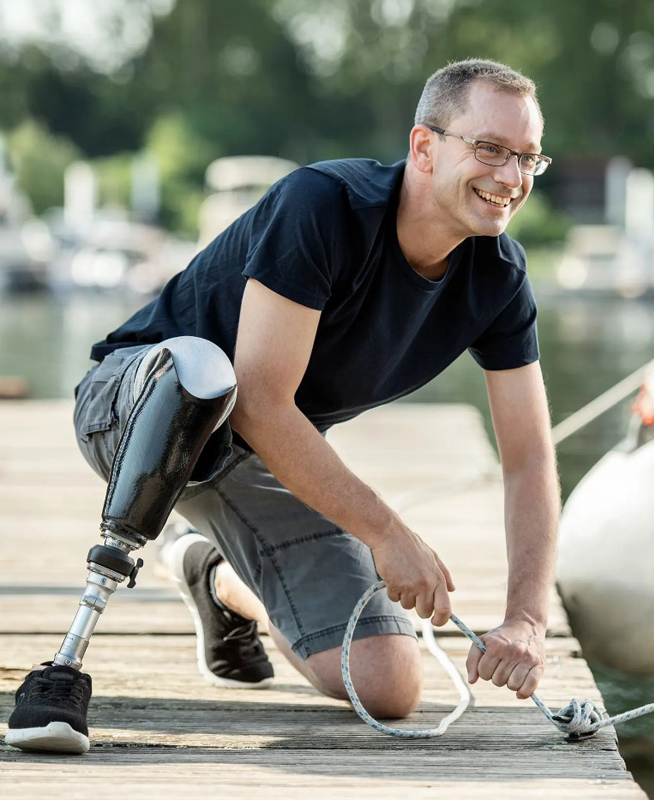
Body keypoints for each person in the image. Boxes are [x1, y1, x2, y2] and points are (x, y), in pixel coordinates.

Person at [5, 58, 560, 755]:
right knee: (207, 376)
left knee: (387, 683)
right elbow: (261, 400)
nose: (511, 177)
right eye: (489, 149)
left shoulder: (499, 278)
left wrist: (527, 621)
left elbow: (531, 456)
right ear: (424, 146)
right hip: (142, 405)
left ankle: (216, 573)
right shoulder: (322, 205)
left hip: (261, 456)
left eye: (526, 157)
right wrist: (388, 532)